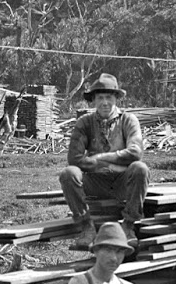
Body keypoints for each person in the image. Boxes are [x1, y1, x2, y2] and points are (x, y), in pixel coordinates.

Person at [60, 73, 148, 249]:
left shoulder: (128, 120)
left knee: (140, 169)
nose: (104, 102)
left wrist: (101, 158)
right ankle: (86, 227)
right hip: (95, 182)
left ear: (116, 99)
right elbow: (74, 158)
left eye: (109, 97)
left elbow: (135, 152)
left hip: (123, 182)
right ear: (93, 100)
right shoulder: (84, 123)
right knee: (68, 174)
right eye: (100, 98)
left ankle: (128, 226)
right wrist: (110, 163)